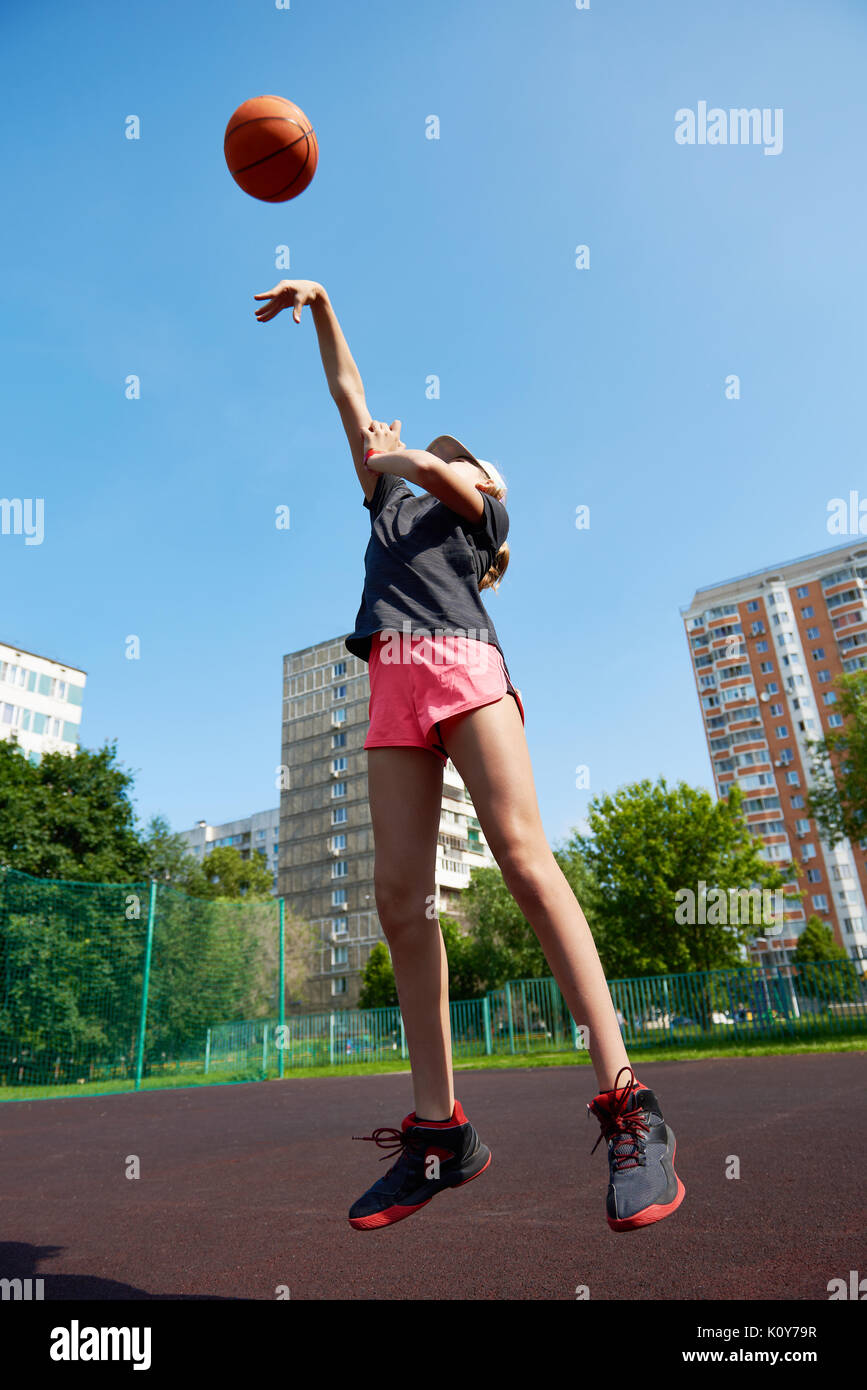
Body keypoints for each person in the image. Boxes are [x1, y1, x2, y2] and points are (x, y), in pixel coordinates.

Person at [254, 278, 685, 1234]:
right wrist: (321, 305)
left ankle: (630, 1106)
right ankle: (443, 1134)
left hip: (463, 666)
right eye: (423, 447)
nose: (438, 449)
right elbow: (347, 394)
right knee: (398, 902)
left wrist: (405, 452)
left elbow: (445, 473)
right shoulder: (383, 502)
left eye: (458, 450)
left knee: (526, 864)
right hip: (392, 682)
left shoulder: (474, 509)